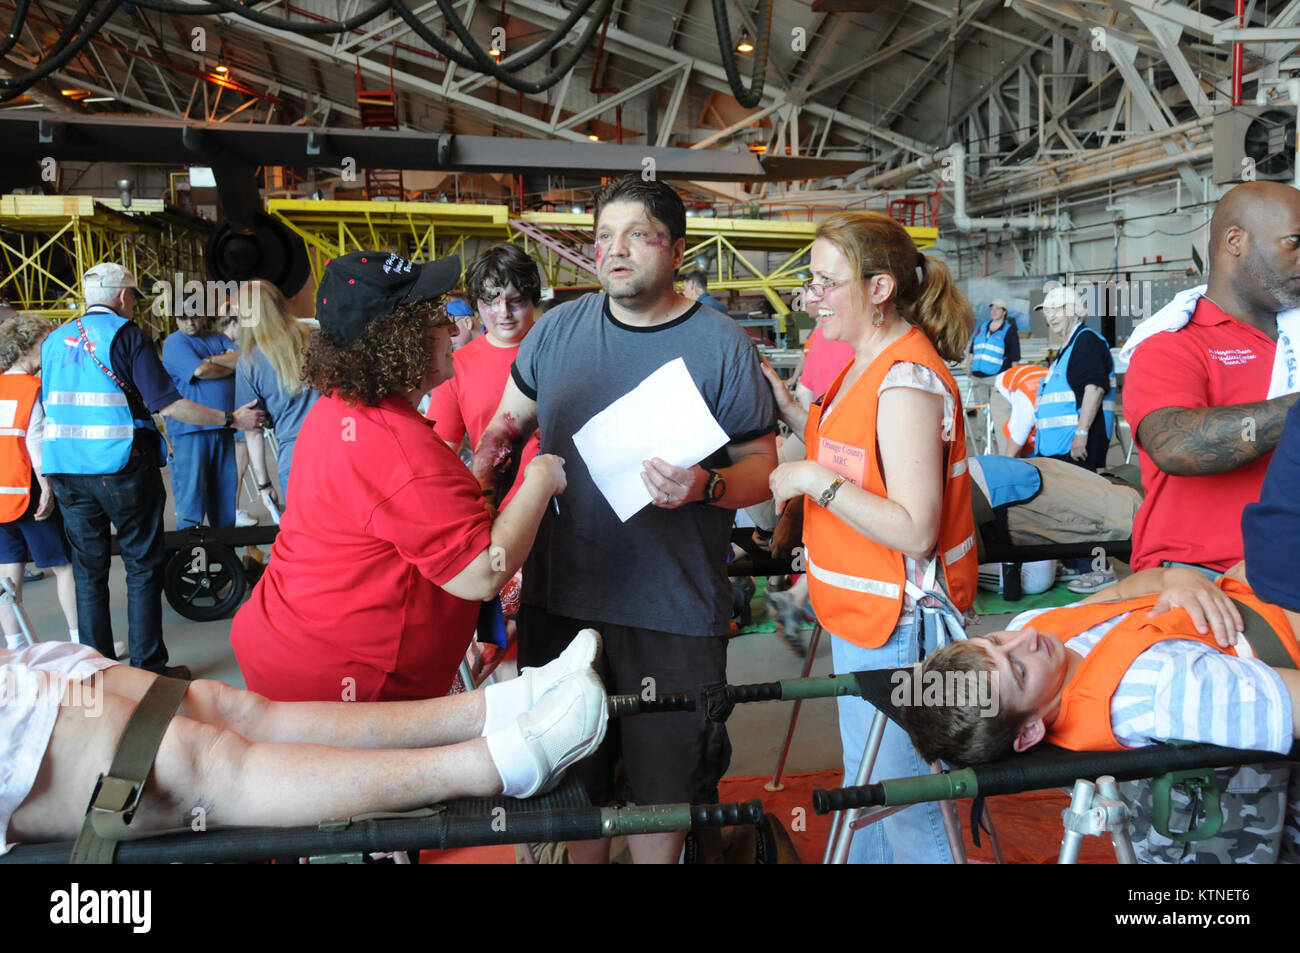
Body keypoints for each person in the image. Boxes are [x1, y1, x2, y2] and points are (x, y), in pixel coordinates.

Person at [473, 175, 778, 865]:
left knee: (663, 785)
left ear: (675, 250)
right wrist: (490, 455)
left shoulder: (722, 345)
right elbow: (506, 424)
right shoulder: (556, 331)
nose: (614, 251)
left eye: (636, 235)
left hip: (671, 611)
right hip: (563, 598)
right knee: (574, 786)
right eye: (603, 236)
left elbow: (764, 464)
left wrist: (709, 484)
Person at [230, 251, 566, 704]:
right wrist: (541, 477)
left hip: (288, 644)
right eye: (436, 318)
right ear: (400, 340)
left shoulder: (341, 407)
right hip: (344, 683)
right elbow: (483, 572)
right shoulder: (396, 449)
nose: (452, 329)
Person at [761, 210, 977, 864]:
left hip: (903, 623)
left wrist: (809, 476)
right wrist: (788, 408)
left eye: (827, 283)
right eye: (810, 281)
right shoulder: (866, 362)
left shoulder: (906, 378)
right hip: (868, 618)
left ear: (880, 289)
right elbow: (862, 455)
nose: (811, 298)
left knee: (905, 802)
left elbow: (914, 528)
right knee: (873, 788)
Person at [2, 629, 607, 855]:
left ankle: (494, 707)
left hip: (17, 667)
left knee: (227, 706)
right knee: (189, 767)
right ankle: (502, 763)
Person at [42, 262, 264, 678]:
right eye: (133, 298)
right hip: (120, 467)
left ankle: (98, 672)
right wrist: (230, 419)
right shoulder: (127, 338)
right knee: (143, 567)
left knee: (89, 573)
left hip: (67, 472)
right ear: (123, 297)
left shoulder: (55, 341)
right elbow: (171, 404)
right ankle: (148, 670)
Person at [901, 565, 1293, 767]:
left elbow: (1124, 591)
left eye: (995, 640)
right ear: (1031, 729)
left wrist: (1181, 578)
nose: (1025, 640)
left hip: (1256, 580)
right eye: (1018, 669)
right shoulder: (1151, 693)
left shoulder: (1027, 628)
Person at [1124, 181, 1300, 577]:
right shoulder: (1173, 346)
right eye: (1295, 242)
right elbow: (1178, 445)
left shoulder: (1296, 341)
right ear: (1235, 241)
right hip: (1203, 577)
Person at [427, 243, 543, 505]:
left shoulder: (561, 348)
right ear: (477, 304)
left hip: (571, 507)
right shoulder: (455, 367)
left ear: (532, 299)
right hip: (501, 509)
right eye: (491, 302)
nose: (503, 313)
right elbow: (440, 454)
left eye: (515, 302)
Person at [0, 315, 79, 650]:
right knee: (63, 567)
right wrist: (48, 488)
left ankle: (17, 649)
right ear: (27, 346)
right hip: (29, 493)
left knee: (7, 576)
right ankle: (81, 643)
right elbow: (36, 441)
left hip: (3, 495)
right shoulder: (34, 390)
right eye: (44, 342)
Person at [1034, 285, 1117, 594]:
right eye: (1047, 313)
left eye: (1056, 311)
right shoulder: (1069, 346)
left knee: (1083, 509)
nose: (1051, 318)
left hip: (1075, 445)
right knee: (1064, 509)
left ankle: (1098, 570)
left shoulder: (1087, 342)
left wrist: (1081, 435)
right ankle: (1073, 564)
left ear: (1073, 311)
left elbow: (1094, 389)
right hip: (1058, 445)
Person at [231, 281, 320, 510]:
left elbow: (253, 430)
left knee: (306, 536)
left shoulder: (249, 362)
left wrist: (264, 485)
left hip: (294, 458)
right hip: (339, 446)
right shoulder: (316, 338)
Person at [161, 310, 242, 529]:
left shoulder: (217, 337)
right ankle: (192, 560)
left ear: (204, 316)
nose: (190, 322)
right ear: (175, 318)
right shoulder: (174, 343)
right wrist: (225, 364)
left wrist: (211, 359)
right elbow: (201, 371)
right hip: (190, 432)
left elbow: (243, 359)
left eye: (195, 316)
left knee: (225, 500)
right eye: (183, 317)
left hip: (224, 427)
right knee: (191, 502)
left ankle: (225, 557)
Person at [965, 298, 1021, 416]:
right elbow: (973, 348)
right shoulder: (983, 327)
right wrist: (968, 365)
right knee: (981, 408)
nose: (994, 311)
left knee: (998, 409)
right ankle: (983, 434)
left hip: (996, 377)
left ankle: (996, 433)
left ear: (1004, 312)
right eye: (992, 308)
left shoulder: (1009, 330)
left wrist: (1013, 378)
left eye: (998, 309)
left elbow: (1014, 356)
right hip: (978, 376)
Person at [993, 363, 1048, 458]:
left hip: (1028, 381)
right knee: (1008, 446)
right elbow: (1017, 436)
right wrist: (1008, 465)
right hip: (1005, 390)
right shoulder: (1029, 402)